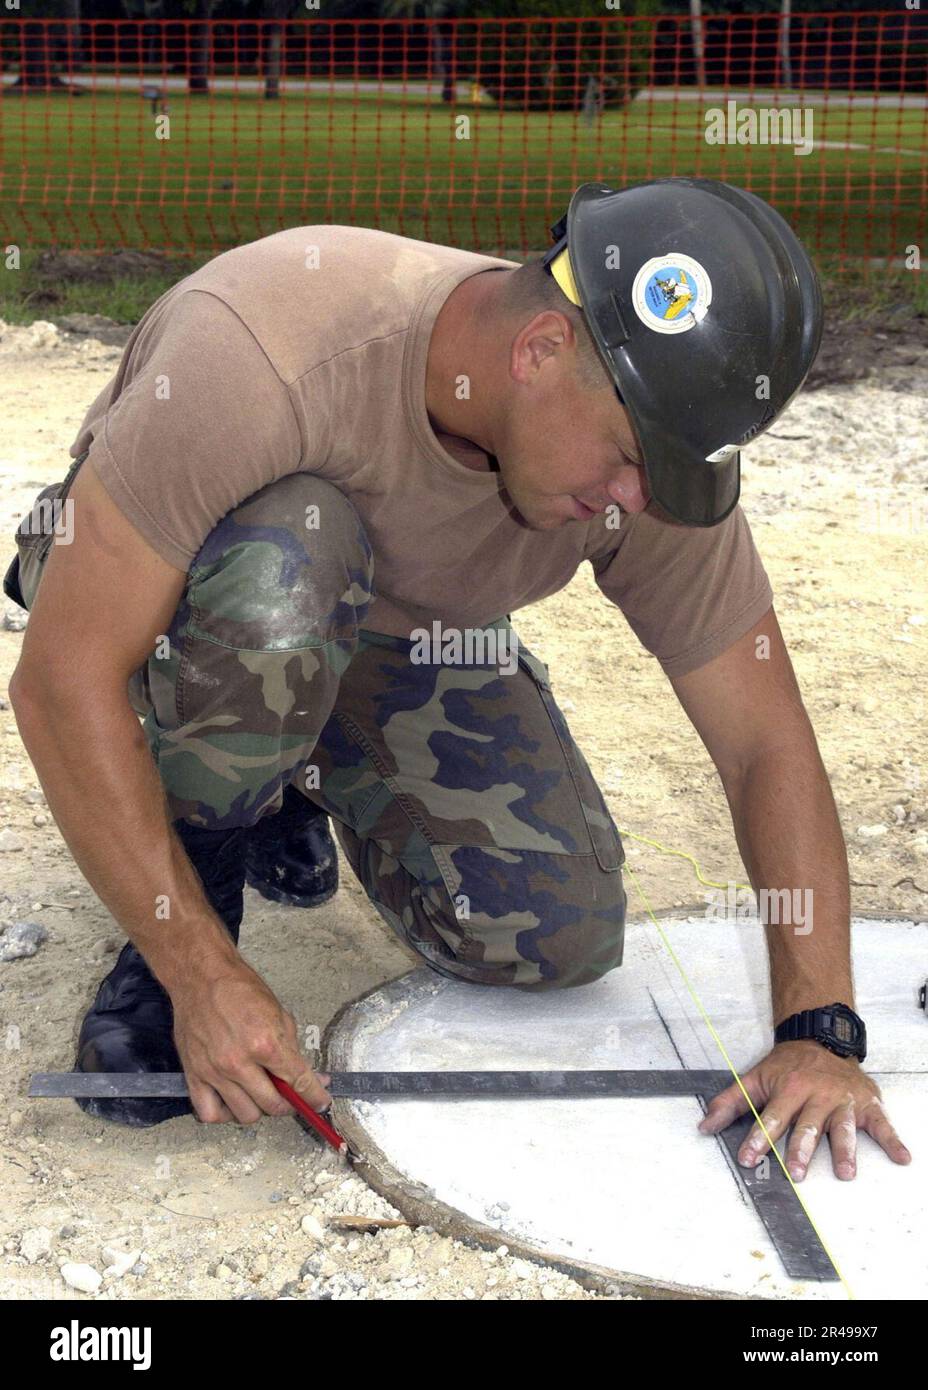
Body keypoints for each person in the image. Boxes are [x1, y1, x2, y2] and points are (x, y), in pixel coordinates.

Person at [6, 178, 910, 1184]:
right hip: (179, 592)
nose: (635, 498)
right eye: (627, 459)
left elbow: (763, 741)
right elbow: (62, 678)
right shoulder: (262, 351)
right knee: (287, 573)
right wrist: (198, 972)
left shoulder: (644, 458)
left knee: (548, 929)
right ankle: (207, 853)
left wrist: (820, 1027)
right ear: (538, 352)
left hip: (387, 635)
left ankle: (283, 769)